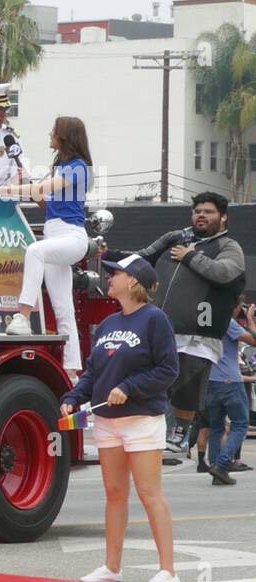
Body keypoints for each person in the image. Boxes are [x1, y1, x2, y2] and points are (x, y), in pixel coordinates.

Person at [63, 254, 180, 582]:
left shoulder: (154, 319)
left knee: (149, 493)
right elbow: (94, 371)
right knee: (114, 494)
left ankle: (168, 571)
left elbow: (168, 370)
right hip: (106, 420)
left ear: (133, 282)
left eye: (116, 273)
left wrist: (128, 388)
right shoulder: (109, 324)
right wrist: (75, 395)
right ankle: (111, 567)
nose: (109, 277)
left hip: (141, 419)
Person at [105, 192, 246, 453]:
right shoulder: (174, 238)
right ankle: (148, 434)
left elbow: (226, 274)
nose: (201, 215)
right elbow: (142, 257)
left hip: (199, 336)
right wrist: (109, 253)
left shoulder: (228, 247)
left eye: (209, 212)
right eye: (197, 211)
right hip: (160, 330)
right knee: (151, 383)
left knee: (185, 387)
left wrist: (190, 257)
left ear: (223, 218)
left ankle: (179, 435)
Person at [0, 116, 93, 377]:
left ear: (65, 136)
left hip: (72, 237)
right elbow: (44, 198)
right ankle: (72, 371)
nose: (50, 134)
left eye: (54, 131)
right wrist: (22, 188)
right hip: (55, 234)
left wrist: (10, 190)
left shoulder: (79, 167)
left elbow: (45, 188)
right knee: (63, 307)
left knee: (35, 251)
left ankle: (22, 315)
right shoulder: (61, 167)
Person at [204, 302, 255, 484]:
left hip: (211, 379)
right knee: (241, 424)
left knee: (216, 427)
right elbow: (253, 340)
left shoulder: (207, 321)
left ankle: (217, 469)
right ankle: (222, 464)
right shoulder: (227, 321)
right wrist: (249, 318)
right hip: (229, 380)